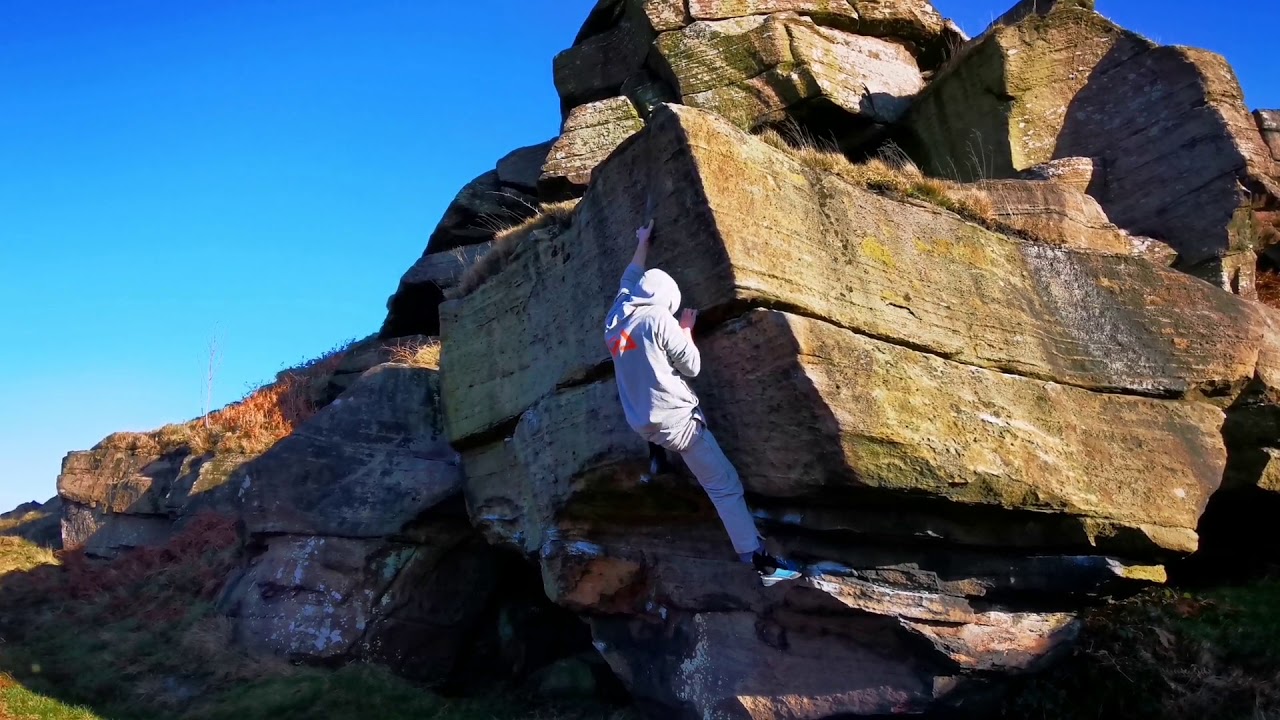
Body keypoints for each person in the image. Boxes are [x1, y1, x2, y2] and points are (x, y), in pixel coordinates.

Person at [603, 220, 802, 587]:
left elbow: (630, 276)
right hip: (677, 426)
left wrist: (642, 241)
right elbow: (691, 366)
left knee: (652, 394)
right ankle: (759, 561)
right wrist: (685, 329)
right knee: (723, 485)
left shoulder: (617, 313)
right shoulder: (658, 319)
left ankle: (656, 456)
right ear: (666, 300)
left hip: (640, 419)